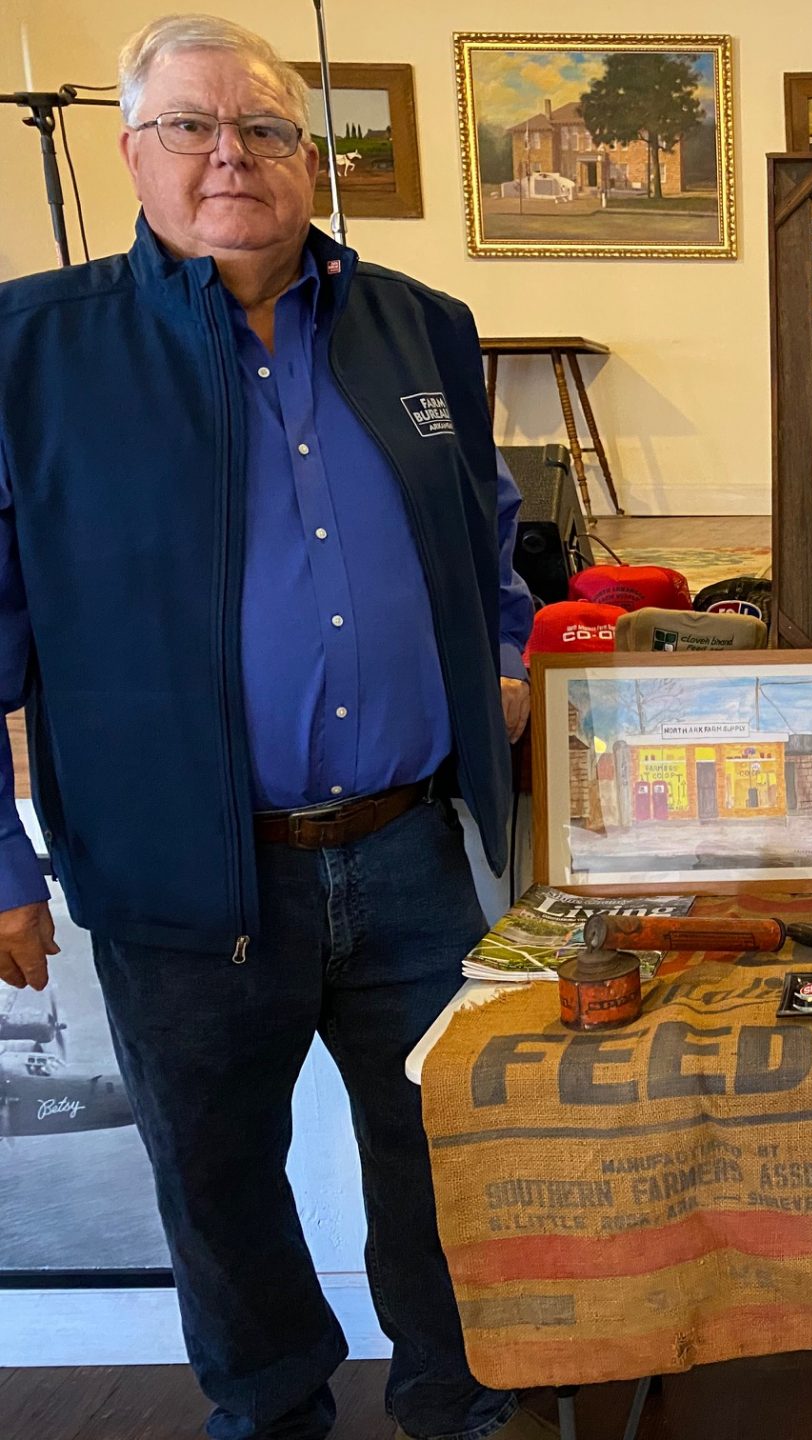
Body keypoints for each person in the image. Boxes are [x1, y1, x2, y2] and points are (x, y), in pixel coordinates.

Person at [0, 16, 548, 1440]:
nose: (229, 155)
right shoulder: (32, 351)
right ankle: (273, 1418)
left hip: (416, 854)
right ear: (133, 151)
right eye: (189, 125)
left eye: (264, 129)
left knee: (449, 1163)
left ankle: (462, 1407)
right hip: (182, 873)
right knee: (219, 1185)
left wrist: (499, 659)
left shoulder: (419, 326)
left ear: (313, 158)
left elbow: (492, 545)